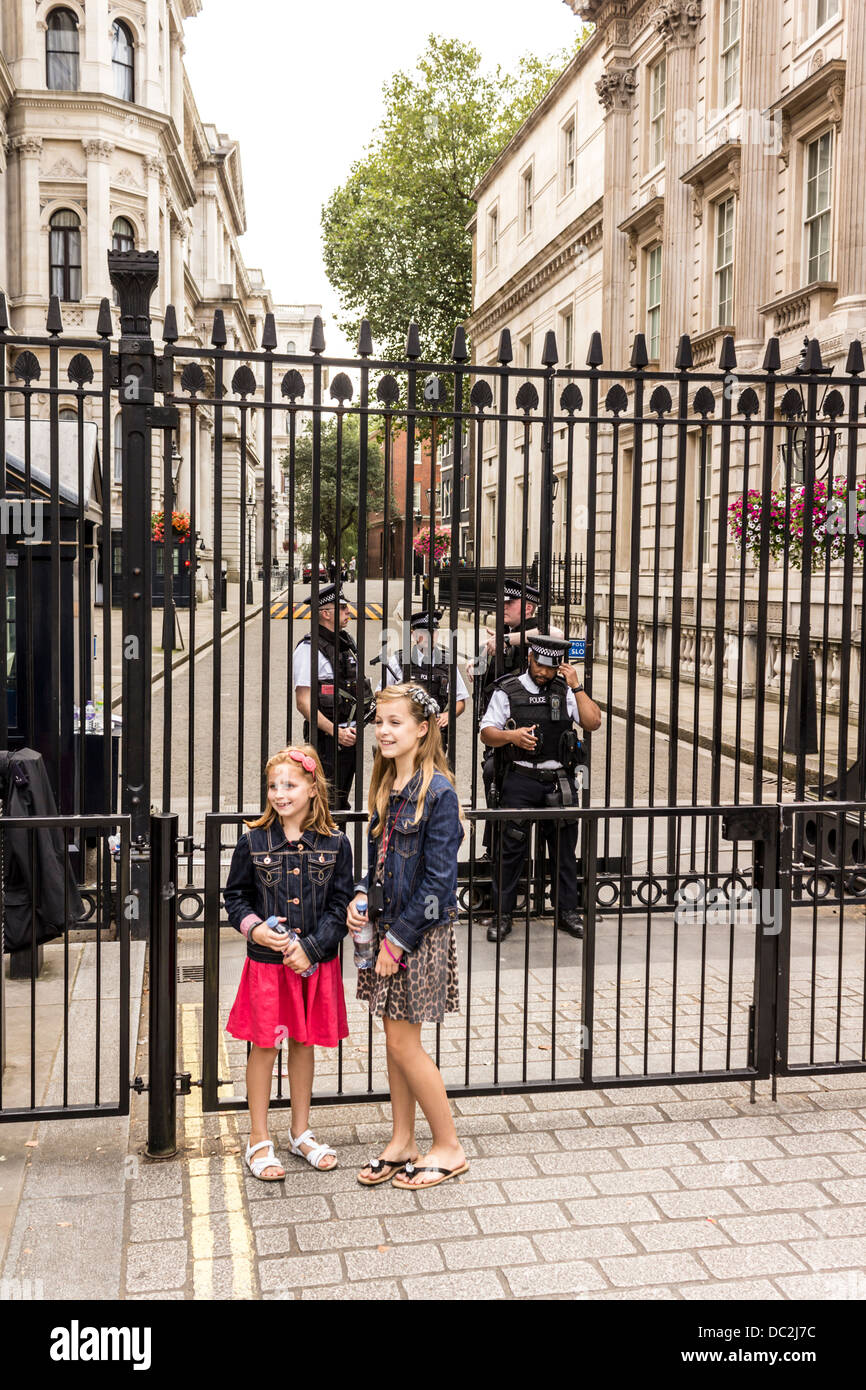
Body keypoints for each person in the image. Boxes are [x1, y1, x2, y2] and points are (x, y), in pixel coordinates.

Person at [346, 683, 468, 1190]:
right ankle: (402, 1140)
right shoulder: (385, 786)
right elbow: (378, 865)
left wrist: (397, 943)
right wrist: (359, 898)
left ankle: (449, 1146)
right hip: (389, 928)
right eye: (380, 721)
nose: (384, 730)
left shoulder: (438, 793)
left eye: (396, 722)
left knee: (404, 1042)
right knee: (395, 1041)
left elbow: (440, 882)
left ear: (423, 729)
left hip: (416, 935)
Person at [223, 744, 353, 1180]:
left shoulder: (336, 844)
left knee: (303, 1043)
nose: (280, 794)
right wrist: (255, 929)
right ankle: (258, 1139)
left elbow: (340, 904)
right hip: (267, 966)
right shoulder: (252, 841)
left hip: (313, 965)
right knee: (264, 1047)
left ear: (313, 788)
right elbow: (235, 897)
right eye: (274, 786)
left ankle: (300, 1132)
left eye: (291, 785)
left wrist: (312, 948)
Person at [479, 634, 601, 944]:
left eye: (550, 668)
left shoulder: (565, 690)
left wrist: (577, 685)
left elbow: (593, 722)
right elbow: (487, 733)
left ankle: (566, 911)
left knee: (563, 850)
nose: (544, 673)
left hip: (558, 779)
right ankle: (502, 914)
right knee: (510, 850)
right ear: (531, 657)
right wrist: (513, 737)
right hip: (520, 779)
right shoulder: (508, 689)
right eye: (540, 666)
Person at [293, 583, 372, 811]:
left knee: (340, 804)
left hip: (351, 737)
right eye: (343, 607)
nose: (349, 612)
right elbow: (303, 702)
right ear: (326, 613)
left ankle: (338, 846)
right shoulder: (308, 650)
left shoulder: (345, 644)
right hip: (327, 741)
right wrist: (336, 732)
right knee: (322, 805)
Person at [377, 609, 469, 755]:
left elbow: (460, 700)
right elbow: (380, 695)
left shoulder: (447, 663)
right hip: (405, 734)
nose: (429, 636)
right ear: (414, 634)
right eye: (423, 632)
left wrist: (448, 715)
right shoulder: (399, 661)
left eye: (433, 631)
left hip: (435, 735)